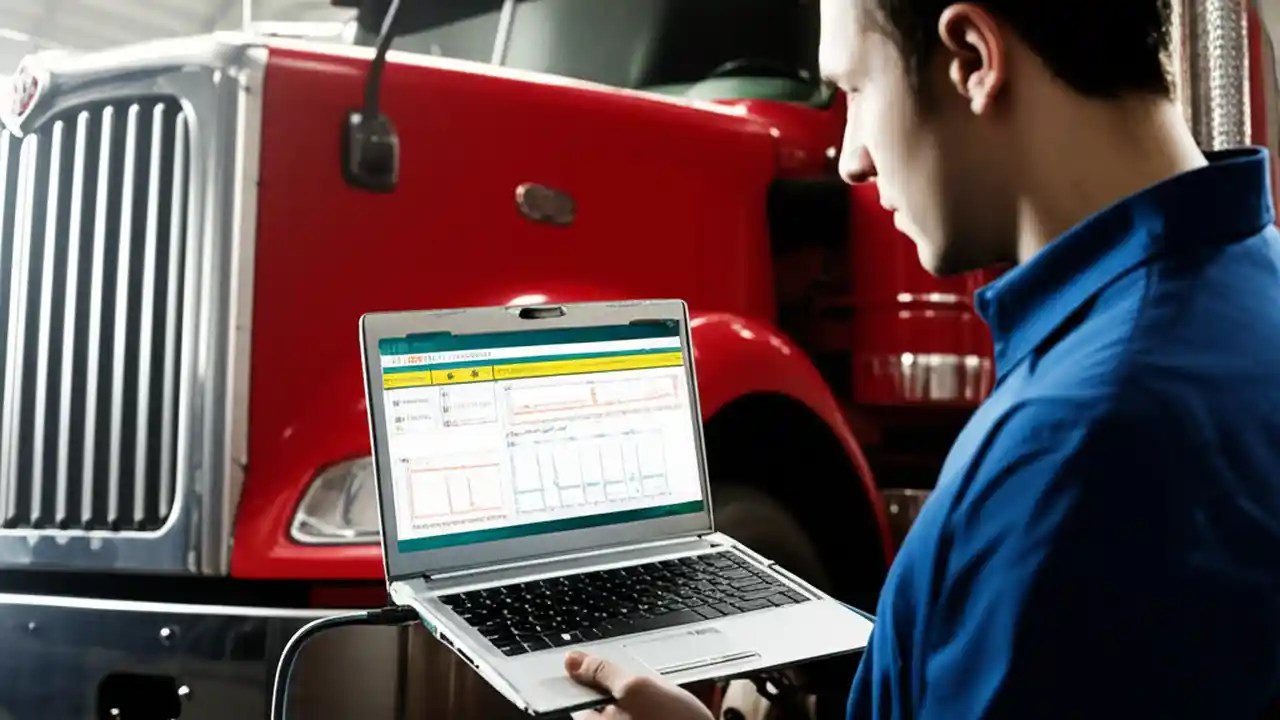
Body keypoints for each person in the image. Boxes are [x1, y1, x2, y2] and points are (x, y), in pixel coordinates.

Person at [561, 0, 1280, 717]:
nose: (851, 159)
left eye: (859, 91)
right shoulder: (1249, 292)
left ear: (970, 58)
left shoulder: (1063, 454)